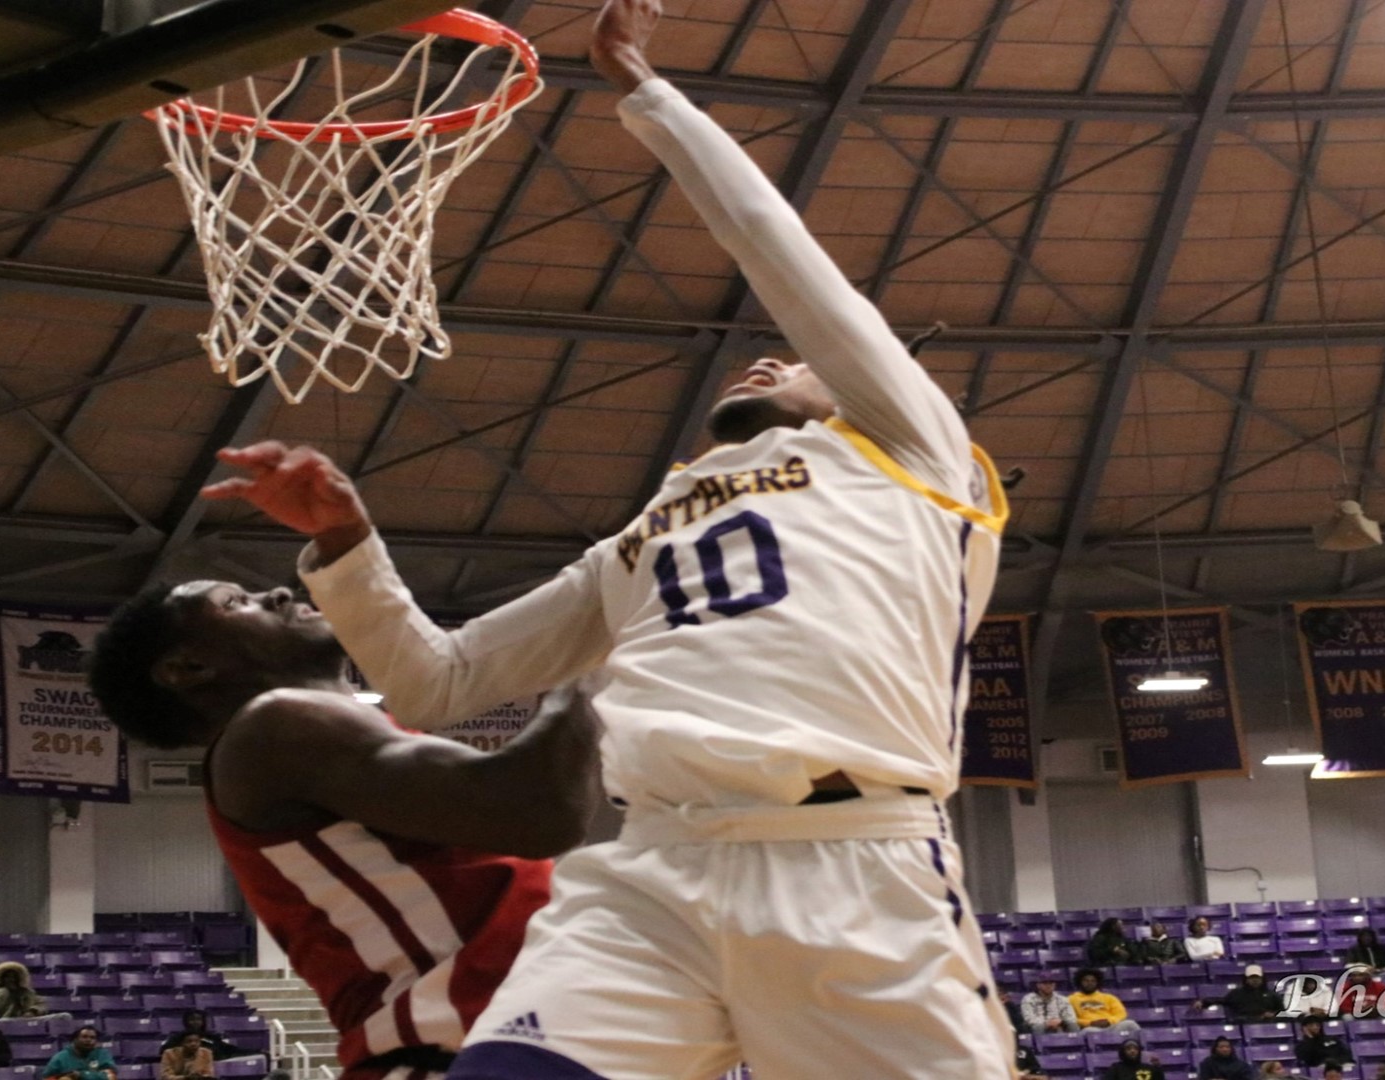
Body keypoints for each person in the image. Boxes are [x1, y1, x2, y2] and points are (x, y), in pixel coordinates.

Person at [202, 0, 1015, 1075]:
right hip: (648, 873)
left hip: (850, 867)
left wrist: (646, 91)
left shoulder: (913, 449)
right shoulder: (645, 535)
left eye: (799, 362)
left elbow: (779, 253)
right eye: (760, 357)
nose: (771, 360)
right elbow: (441, 680)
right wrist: (349, 546)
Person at [85, 581, 600, 1080]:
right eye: (236, 602)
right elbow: (539, 812)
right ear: (189, 667)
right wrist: (594, 648)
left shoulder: (326, 741)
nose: (278, 593)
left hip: (517, 1035)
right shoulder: (273, 728)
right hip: (464, 1048)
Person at [1069, 970, 1142, 1036]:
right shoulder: (1071, 999)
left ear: (1097, 983)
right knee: (1090, 1031)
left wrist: (1109, 1021)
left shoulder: (1109, 997)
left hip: (1111, 1027)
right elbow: (1070, 1018)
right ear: (1079, 982)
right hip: (1089, 1028)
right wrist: (1090, 1023)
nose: (1089, 983)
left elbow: (1121, 1014)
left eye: (1093, 981)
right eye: (1086, 981)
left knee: (1130, 1023)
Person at [160, 1011, 251, 1062]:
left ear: (203, 1022)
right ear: (185, 1022)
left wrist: (255, 1051)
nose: (195, 1022)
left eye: (198, 1019)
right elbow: (164, 1051)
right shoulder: (177, 1037)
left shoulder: (212, 1037)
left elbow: (230, 1050)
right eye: (192, 1019)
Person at [40, 1025, 117, 1080]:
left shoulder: (102, 1054)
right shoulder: (60, 1057)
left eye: (92, 1038)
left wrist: (81, 1075)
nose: (88, 1040)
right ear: (75, 1039)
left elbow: (110, 1077)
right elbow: (47, 1078)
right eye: (84, 1037)